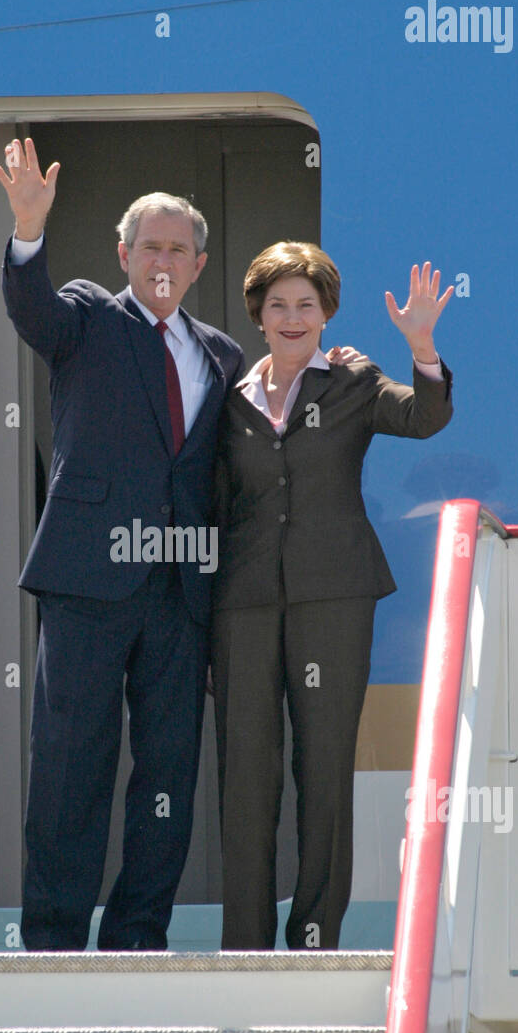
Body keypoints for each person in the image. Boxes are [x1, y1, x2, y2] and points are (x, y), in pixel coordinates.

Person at [0, 138, 243, 951]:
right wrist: (28, 229)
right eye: (149, 246)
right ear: (123, 254)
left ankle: (139, 936)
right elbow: (32, 310)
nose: (163, 258)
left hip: (178, 593)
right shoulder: (87, 315)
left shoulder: (222, 354)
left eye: (178, 248)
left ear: (199, 263)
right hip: (88, 585)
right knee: (72, 763)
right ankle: (55, 939)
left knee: (168, 775)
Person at [210, 243, 453, 951]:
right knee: (245, 777)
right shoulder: (230, 395)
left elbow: (422, 418)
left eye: (306, 306)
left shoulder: (352, 379)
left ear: (327, 315)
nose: (293, 318)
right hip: (244, 603)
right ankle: (246, 947)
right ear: (258, 313)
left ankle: (314, 936)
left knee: (323, 768)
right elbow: (215, 502)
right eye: (279, 305)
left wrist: (423, 347)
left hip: (335, 598)